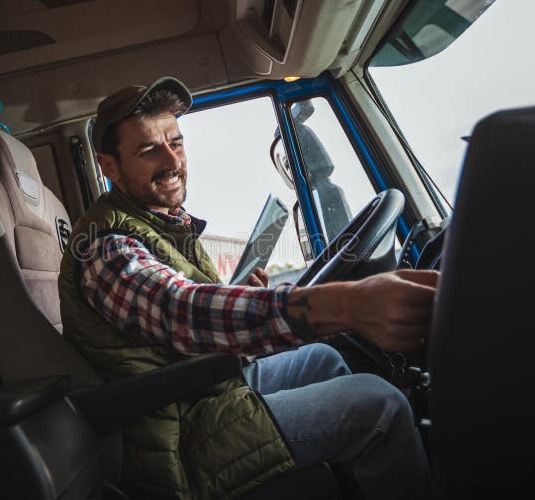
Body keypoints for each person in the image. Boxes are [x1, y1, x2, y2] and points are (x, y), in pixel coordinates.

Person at [59, 77, 438, 500]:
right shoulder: (106, 249)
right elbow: (179, 311)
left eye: (176, 143)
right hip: (179, 431)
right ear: (109, 166)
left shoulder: (157, 223)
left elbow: (180, 312)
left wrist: (243, 295)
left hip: (202, 390)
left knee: (324, 358)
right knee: (380, 404)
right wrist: (344, 302)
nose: (172, 160)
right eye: (149, 150)